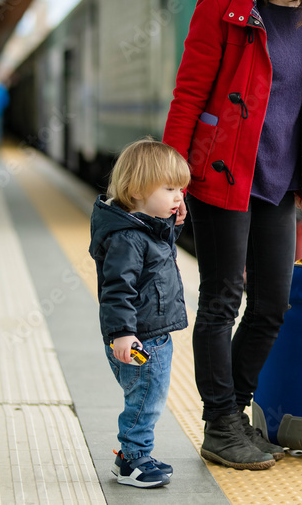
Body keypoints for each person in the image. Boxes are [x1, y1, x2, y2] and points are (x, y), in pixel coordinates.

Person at [163, 0, 302, 470]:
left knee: (273, 303)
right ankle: (219, 425)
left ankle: (232, 414)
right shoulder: (223, 4)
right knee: (221, 300)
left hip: (279, 179)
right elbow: (189, 92)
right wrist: (170, 174)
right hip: (221, 173)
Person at [89, 137, 191, 488]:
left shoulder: (141, 229)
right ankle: (133, 459)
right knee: (145, 402)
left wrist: (173, 225)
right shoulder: (127, 240)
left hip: (150, 334)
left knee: (147, 399)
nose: (179, 196)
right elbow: (118, 290)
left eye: (181, 188)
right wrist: (122, 333)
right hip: (139, 339)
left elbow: (156, 257)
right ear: (136, 191)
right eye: (170, 188)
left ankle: (134, 455)